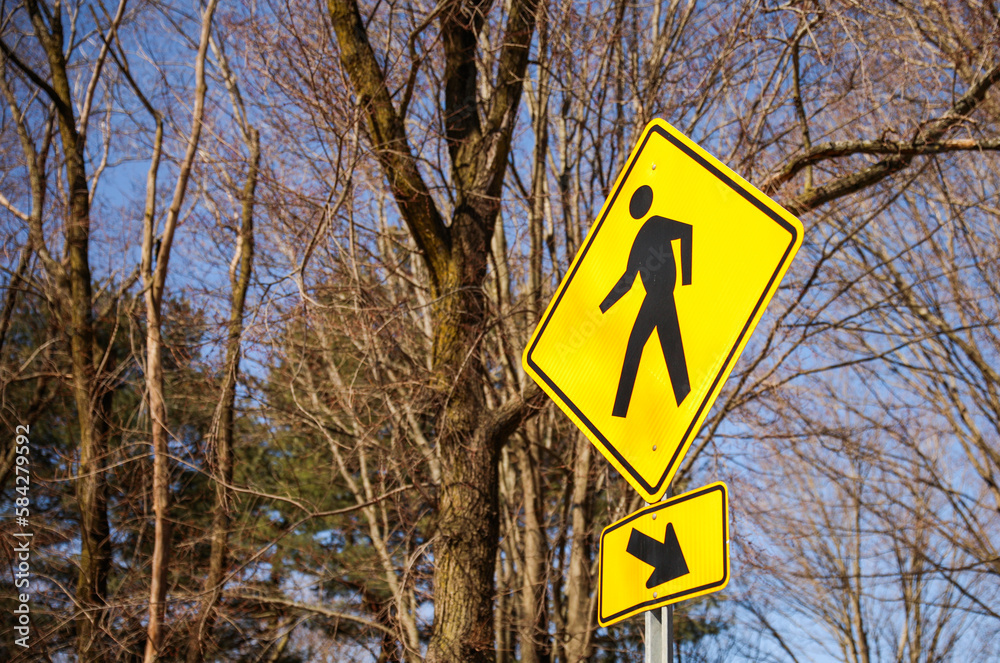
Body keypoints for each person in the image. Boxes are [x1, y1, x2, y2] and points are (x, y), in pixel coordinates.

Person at [600, 185, 692, 417]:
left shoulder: (656, 225)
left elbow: (687, 231)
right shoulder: (640, 237)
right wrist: (603, 307)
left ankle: (619, 411)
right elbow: (628, 280)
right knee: (672, 352)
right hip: (656, 298)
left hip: (660, 296)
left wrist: (687, 279)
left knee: (640, 348)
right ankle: (683, 403)